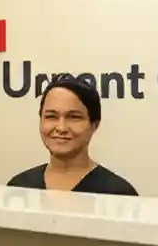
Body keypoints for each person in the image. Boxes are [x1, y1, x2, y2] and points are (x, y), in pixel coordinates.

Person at [7, 74, 137, 195]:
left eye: (74, 117)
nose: (61, 128)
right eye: (51, 116)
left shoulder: (118, 194)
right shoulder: (19, 188)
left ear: (94, 124)